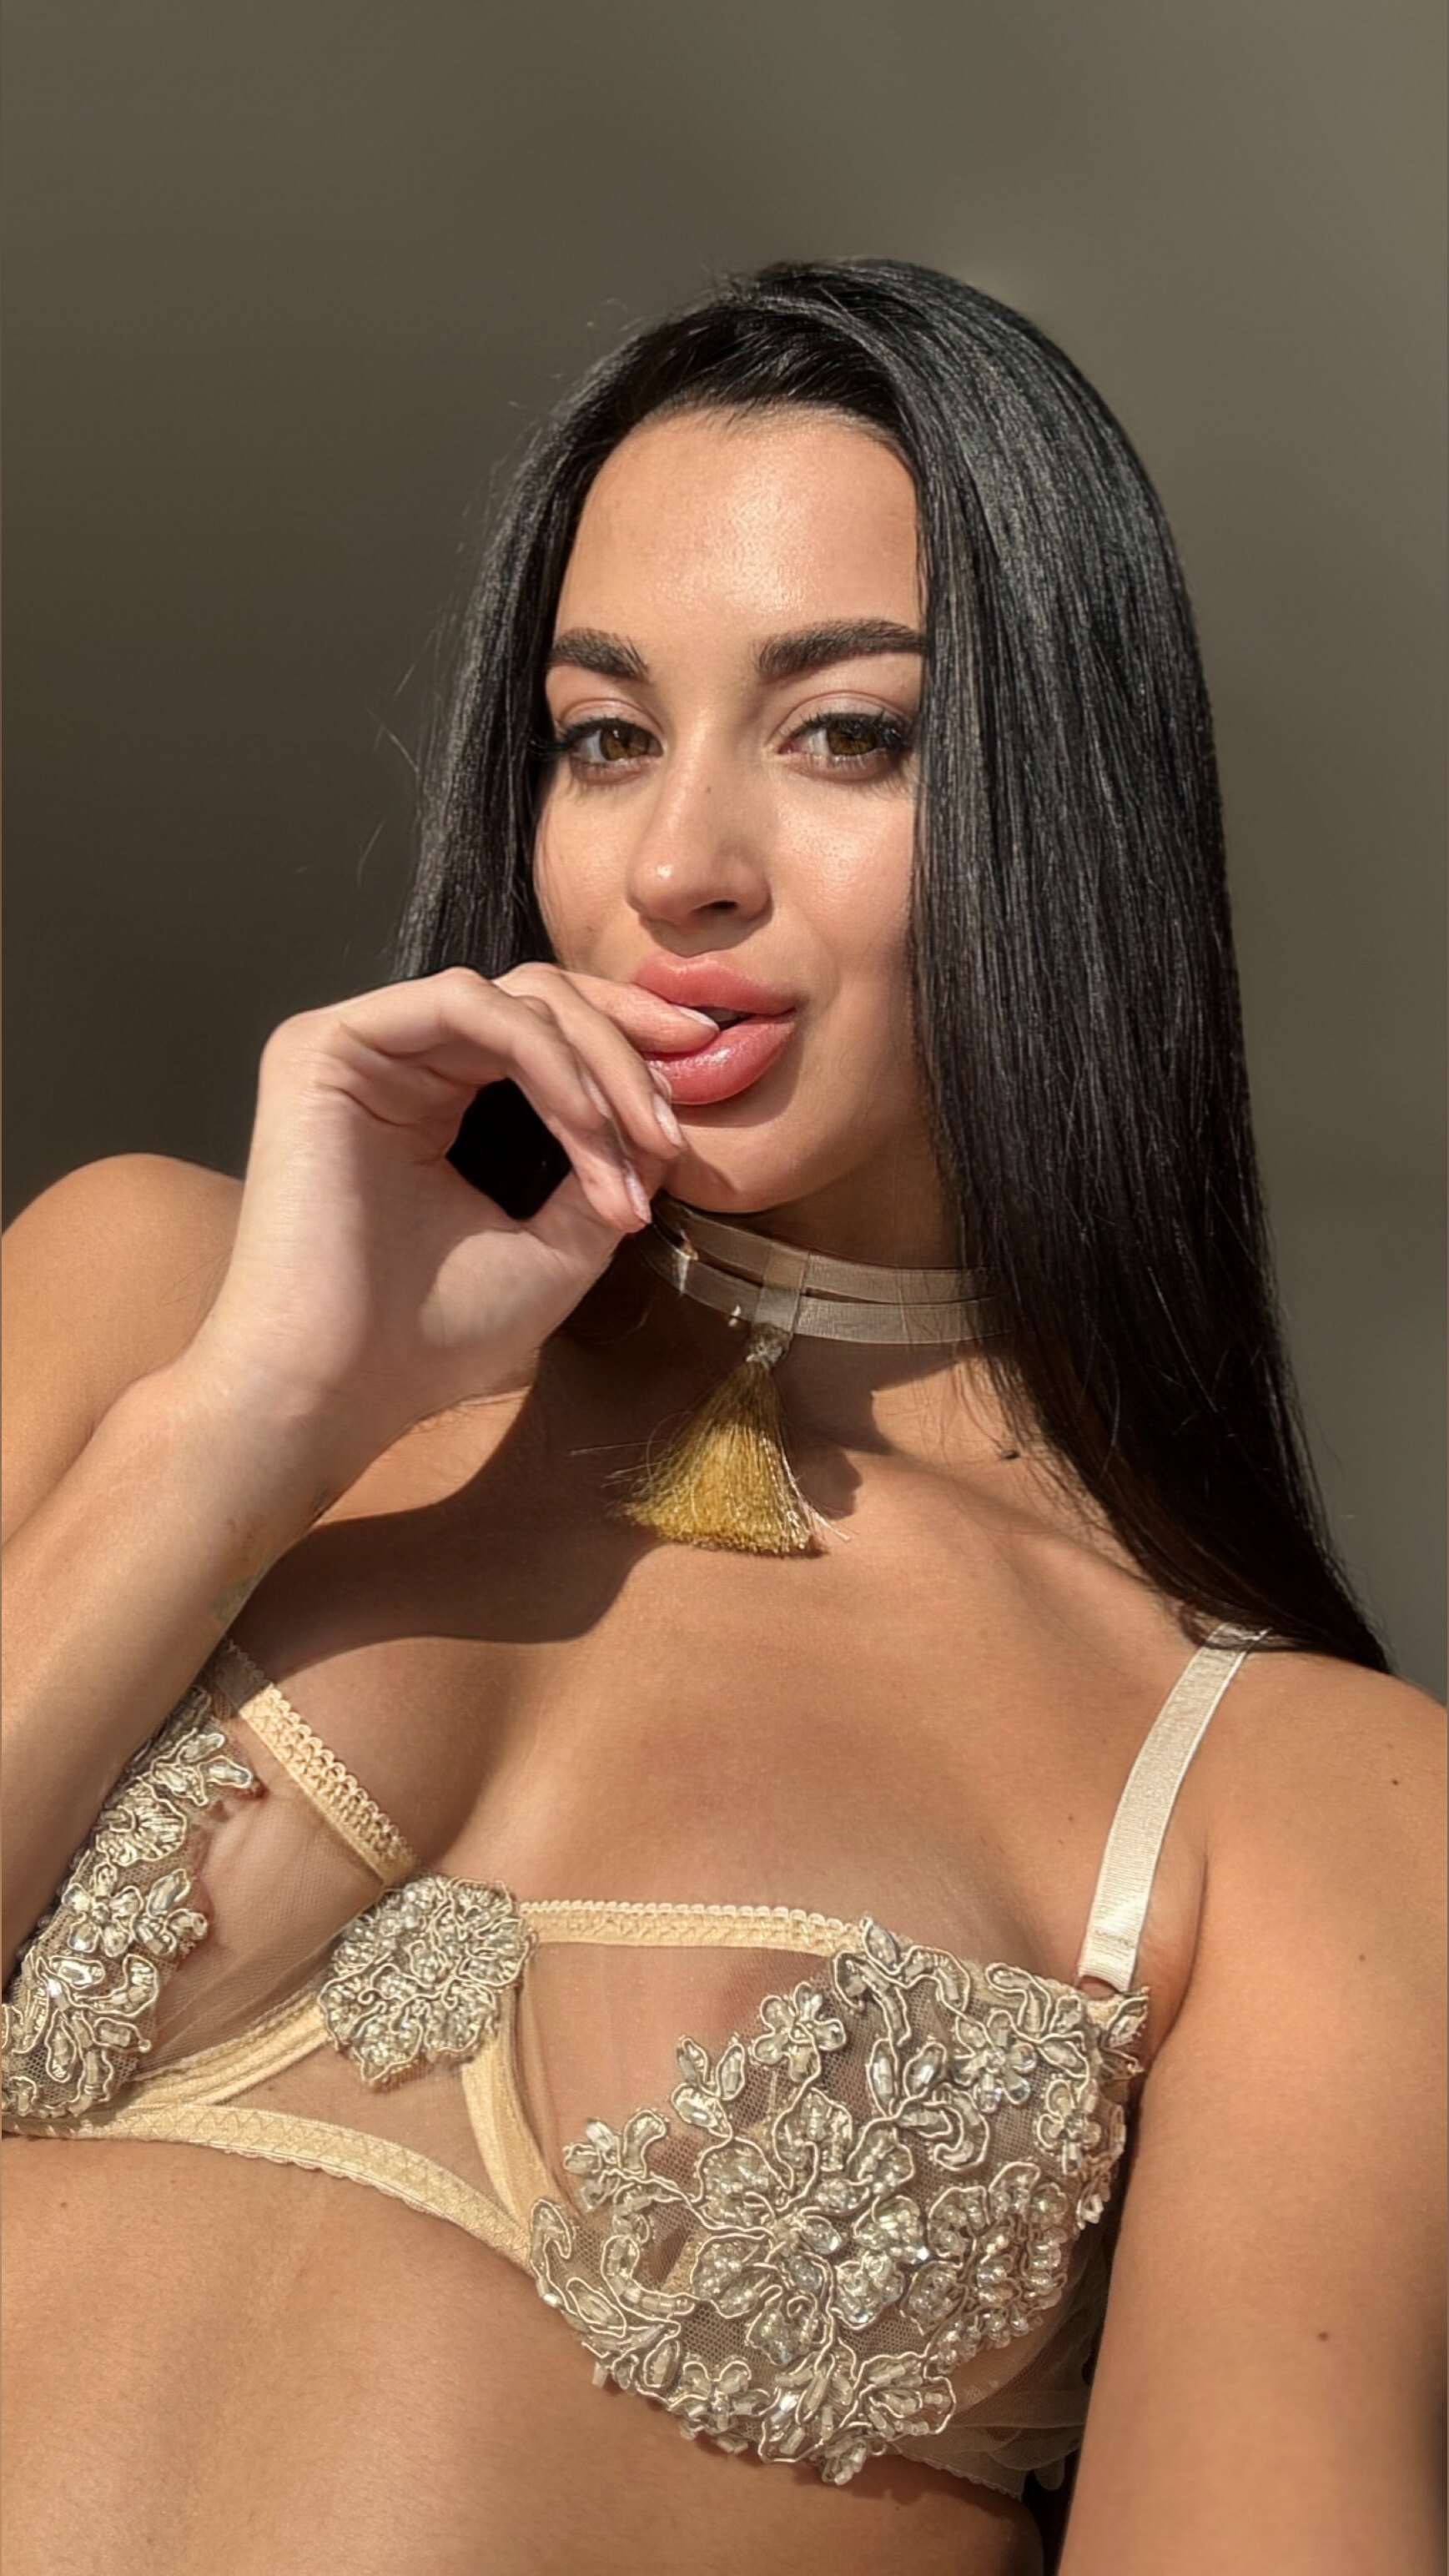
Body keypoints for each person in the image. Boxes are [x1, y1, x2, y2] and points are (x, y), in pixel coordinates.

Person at [1, 259, 1441, 2576]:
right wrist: (249, 1426)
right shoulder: (143, 1309)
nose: (674, 863)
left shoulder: (1288, 1803)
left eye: (843, 732)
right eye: (601, 736)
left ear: (1070, 808)